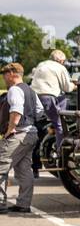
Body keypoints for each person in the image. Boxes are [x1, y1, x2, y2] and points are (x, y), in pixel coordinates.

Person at [0, 62, 44, 214]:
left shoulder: (14, 90)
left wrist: (10, 129)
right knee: (24, 170)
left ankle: (0, 203)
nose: (4, 78)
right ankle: (24, 204)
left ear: (12, 74)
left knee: (1, 166)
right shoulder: (30, 90)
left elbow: (16, 110)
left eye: (5, 74)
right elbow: (40, 111)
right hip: (31, 134)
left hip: (18, 133)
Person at [30, 49, 75, 174]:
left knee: (37, 130)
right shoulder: (60, 68)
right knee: (60, 125)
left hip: (33, 98)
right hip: (47, 98)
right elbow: (67, 88)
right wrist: (75, 85)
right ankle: (61, 153)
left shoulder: (41, 64)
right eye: (64, 61)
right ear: (61, 60)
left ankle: (35, 166)